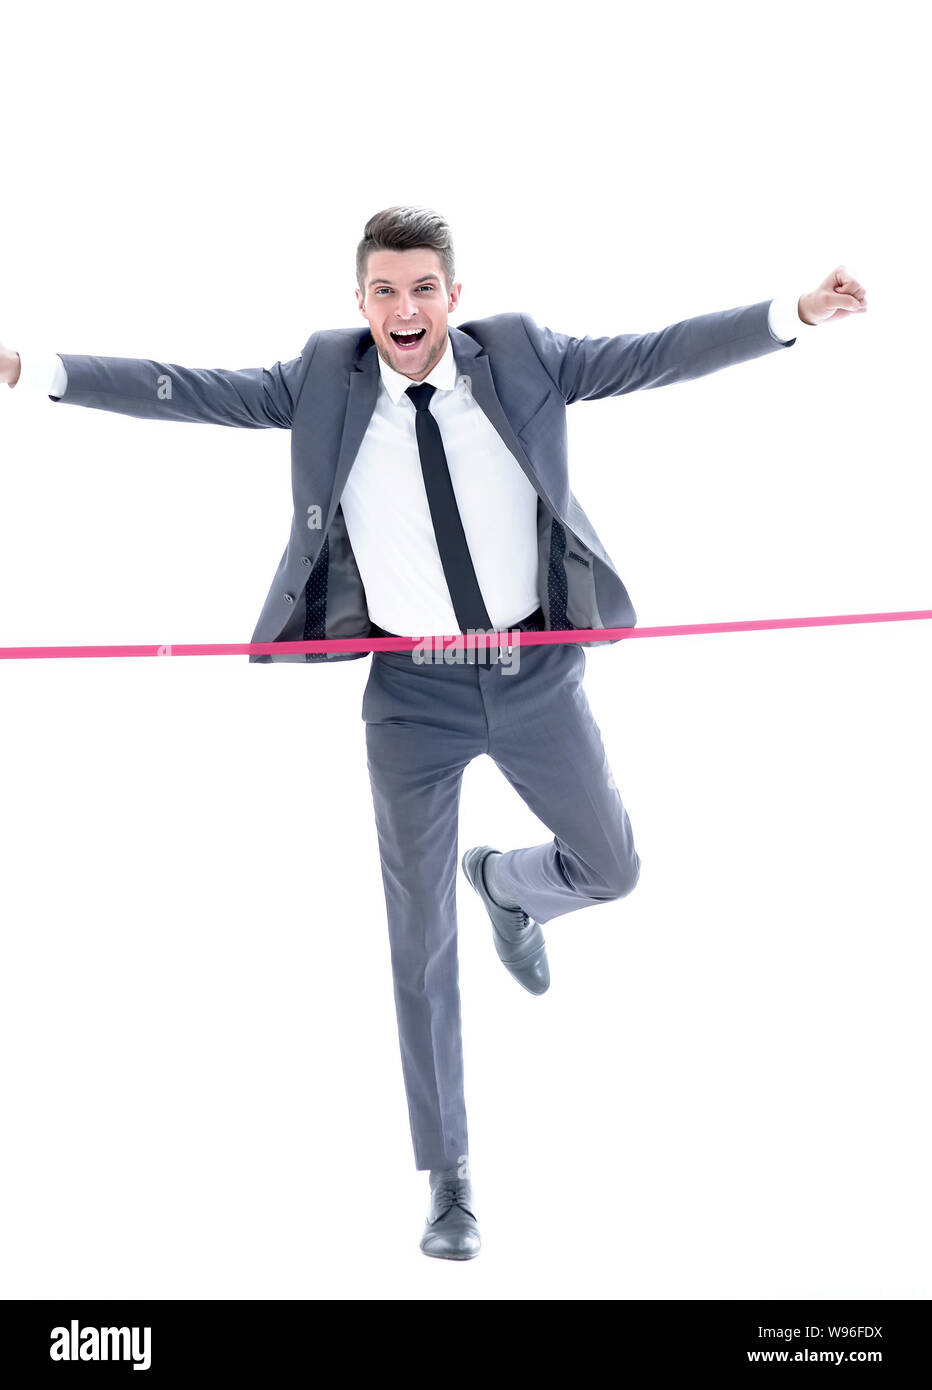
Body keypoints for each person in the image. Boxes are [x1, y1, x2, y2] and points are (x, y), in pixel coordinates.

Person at [0, 207, 867, 1260]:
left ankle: (507, 884)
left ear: (453, 295)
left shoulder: (524, 358)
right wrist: (29, 368)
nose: (403, 310)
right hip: (411, 694)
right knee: (417, 946)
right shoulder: (324, 379)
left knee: (613, 866)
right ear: (358, 303)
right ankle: (449, 1176)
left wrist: (794, 314)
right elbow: (184, 388)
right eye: (382, 292)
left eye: (421, 289)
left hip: (533, 669)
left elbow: (655, 354)